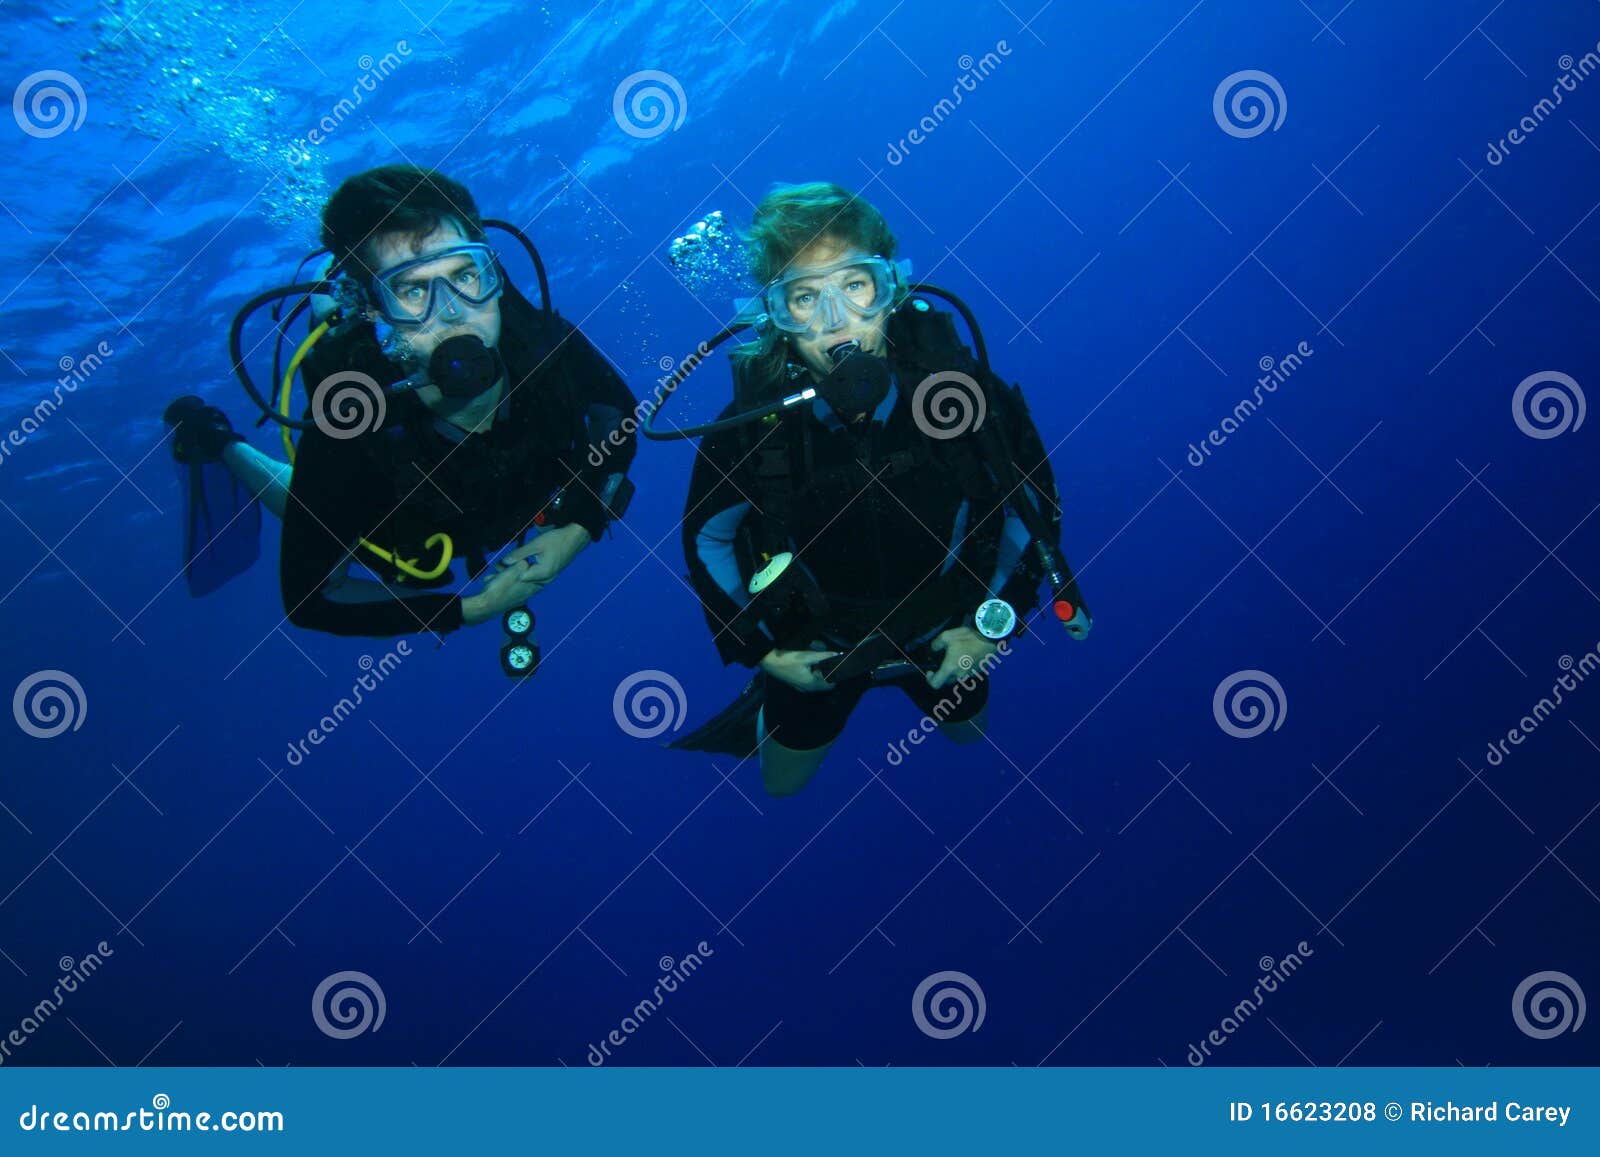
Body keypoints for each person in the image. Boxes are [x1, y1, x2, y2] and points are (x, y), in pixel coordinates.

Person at [668, 183, 1091, 796]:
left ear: (890, 287)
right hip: (817, 651)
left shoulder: (965, 395)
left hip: (945, 633)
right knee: (782, 786)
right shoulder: (750, 430)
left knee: (971, 735)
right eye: (806, 297)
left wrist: (989, 627)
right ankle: (762, 704)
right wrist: (761, 653)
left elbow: (1035, 502)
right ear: (776, 317)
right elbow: (706, 536)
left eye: (855, 286)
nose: (837, 322)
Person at [164, 165, 638, 644]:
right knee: (314, 508)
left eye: (464, 274)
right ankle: (217, 439)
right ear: (374, 311)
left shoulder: (540, 343)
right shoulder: (349, 426)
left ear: (489, 271)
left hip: (511, 497)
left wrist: (581, 526)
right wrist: (472, 608)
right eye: (412, 290)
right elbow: (310, 599)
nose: (453, 312)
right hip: (399, 527)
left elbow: (619, 416)